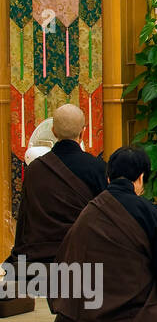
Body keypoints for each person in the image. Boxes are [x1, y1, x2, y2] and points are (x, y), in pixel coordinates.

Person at [48, 147, 157, 322]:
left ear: (109, 178)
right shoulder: (149, 213)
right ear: (140, 178)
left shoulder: (89, 212)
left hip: (86, 314)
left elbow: (64, 262)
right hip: (136, 312)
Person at [12, 104, 107, 263]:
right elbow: (104, 219)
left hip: (38, 258)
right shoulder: (98, 168)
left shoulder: (34, 169)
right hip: (81, 257)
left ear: (54, 131)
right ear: (83, 132)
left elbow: (25, 219)